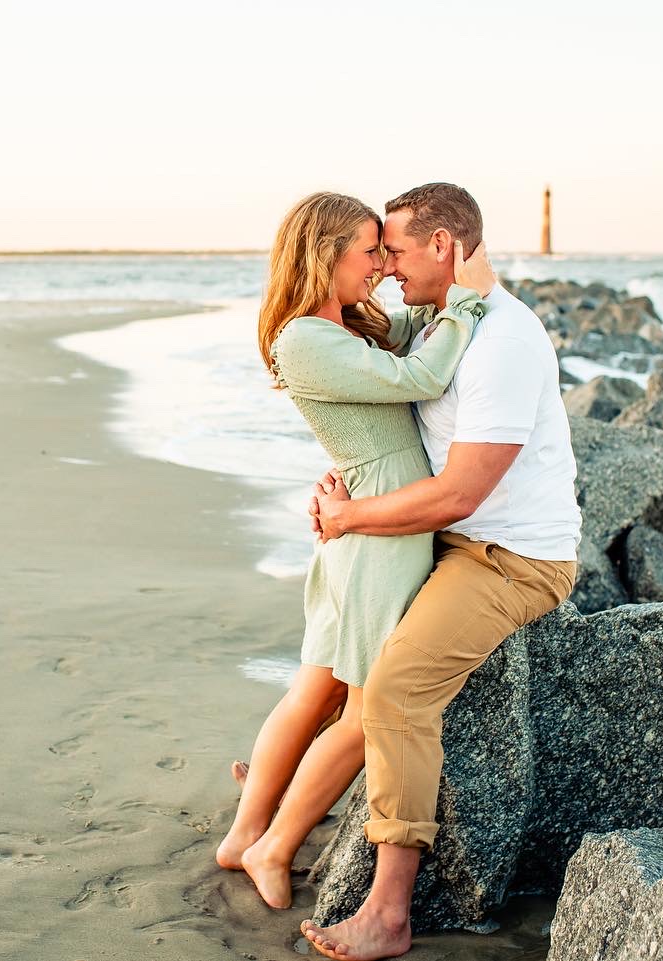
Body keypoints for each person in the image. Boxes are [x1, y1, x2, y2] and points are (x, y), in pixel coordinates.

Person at [300, 183, 581, 960]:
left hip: (511, 556)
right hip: (451, 539)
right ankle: (292, 795)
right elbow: (381, 417)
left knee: (395, 689)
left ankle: (388, 910)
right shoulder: (439, 324)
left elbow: (461, 491)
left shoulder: (504, 343)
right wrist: (341, 484)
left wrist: (350, 518)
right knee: (343, 652)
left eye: (393, 250)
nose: (386, 267)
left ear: (444, 248)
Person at [216, 191, 496, 911]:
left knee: (316, 688)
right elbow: (421, 376)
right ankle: (270, 843)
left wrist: (449, 284)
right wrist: (467, 307)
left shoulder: (344, 324)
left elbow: (411, 327)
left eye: (384, 251)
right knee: (366, 704)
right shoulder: (305, 339)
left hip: (367, 516)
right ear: (324, 254)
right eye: (368, 251)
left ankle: (247, 832)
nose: (379, 265)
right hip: (379, 533)